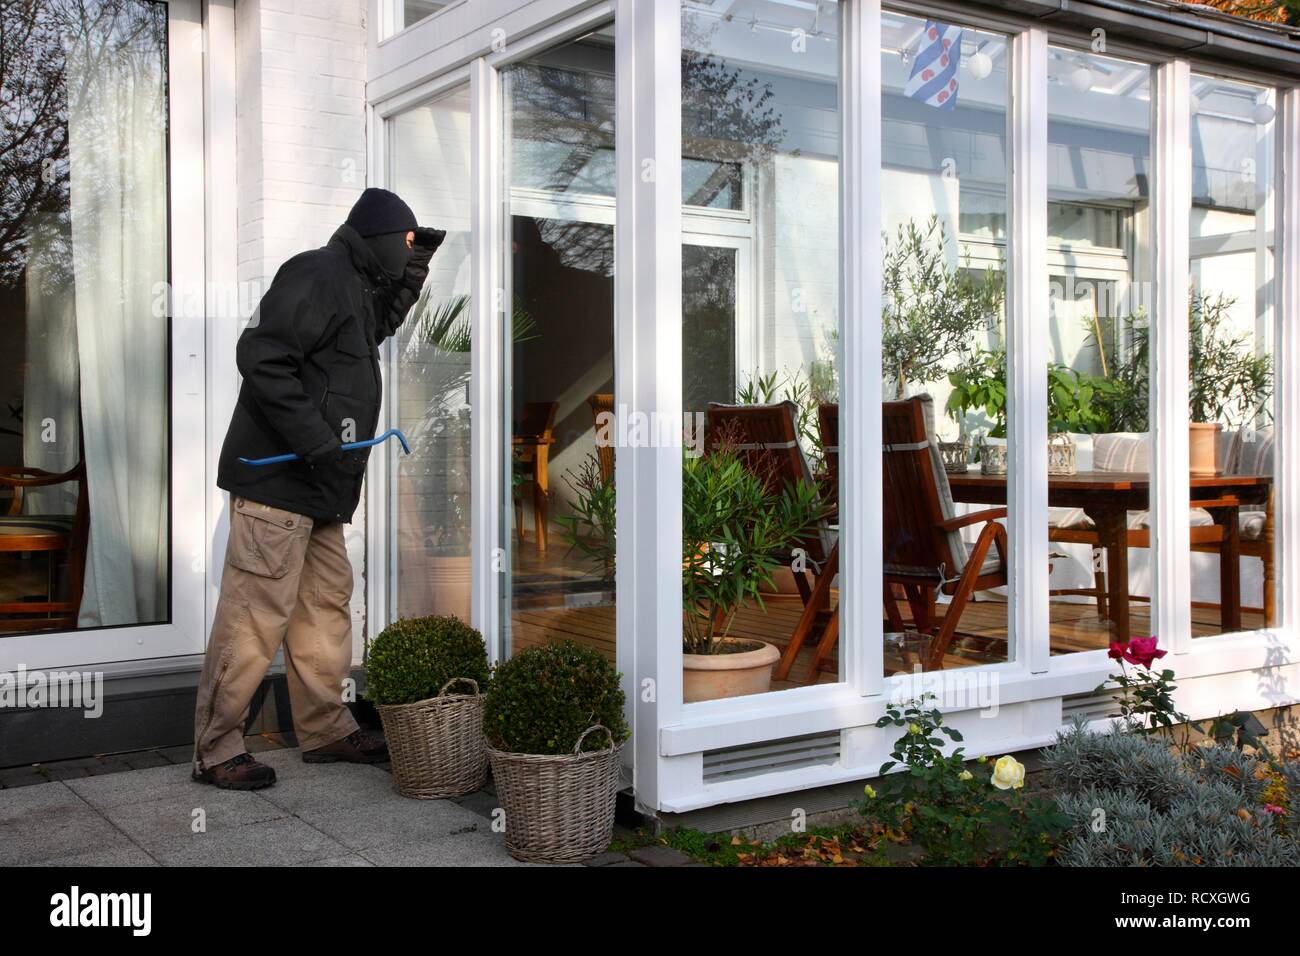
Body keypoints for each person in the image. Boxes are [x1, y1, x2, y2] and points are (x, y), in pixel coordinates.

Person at [192, 188, 444, 790]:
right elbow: (261, 355)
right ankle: (216, 747)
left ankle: (325, 728)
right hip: (280, 478)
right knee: (254, 617)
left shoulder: (358, 289)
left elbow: (378, 326)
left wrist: (414, 270)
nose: (407, 251)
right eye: (405, 242)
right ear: (379, 236)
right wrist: (313, 438)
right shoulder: (315, 272)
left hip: (322, 487)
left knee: (324, 609)